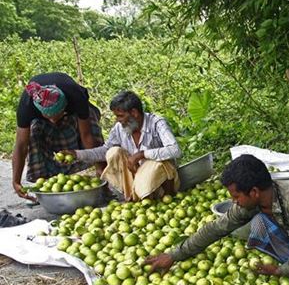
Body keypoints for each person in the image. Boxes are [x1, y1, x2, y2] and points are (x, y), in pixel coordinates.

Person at [145, 154, 289, 276]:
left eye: (236, 196)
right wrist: (174, 255)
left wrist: (280, 271)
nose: (234, 201)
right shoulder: (251, 203)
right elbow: (217, 228)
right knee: (259, 223)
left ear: (254, 192)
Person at [61, 91, 181, 202]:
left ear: (134, 112)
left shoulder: (157, 123)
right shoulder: (120, 128)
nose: (118, 120)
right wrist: (76, 154)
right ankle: (133, 194)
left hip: (161, 180)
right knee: (113, 152)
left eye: (120, 116)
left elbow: (174, 150)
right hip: (137, 175)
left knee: (155, 163)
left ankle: (165, 196)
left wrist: (142, 154)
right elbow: (105, 151)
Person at [12, 72, 104, 201]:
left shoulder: (76, 98)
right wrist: (16, 181)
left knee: (91, 121)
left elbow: (87, 136)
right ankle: (44, 189)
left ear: (65, 105)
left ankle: (103, 185)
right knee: (34, 131)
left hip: (73, 113)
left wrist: (100, 170)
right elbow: (21, 145)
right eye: (48, 116)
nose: (53, 121)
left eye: (57, 116)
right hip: (40, 121)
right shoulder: (27, 106)